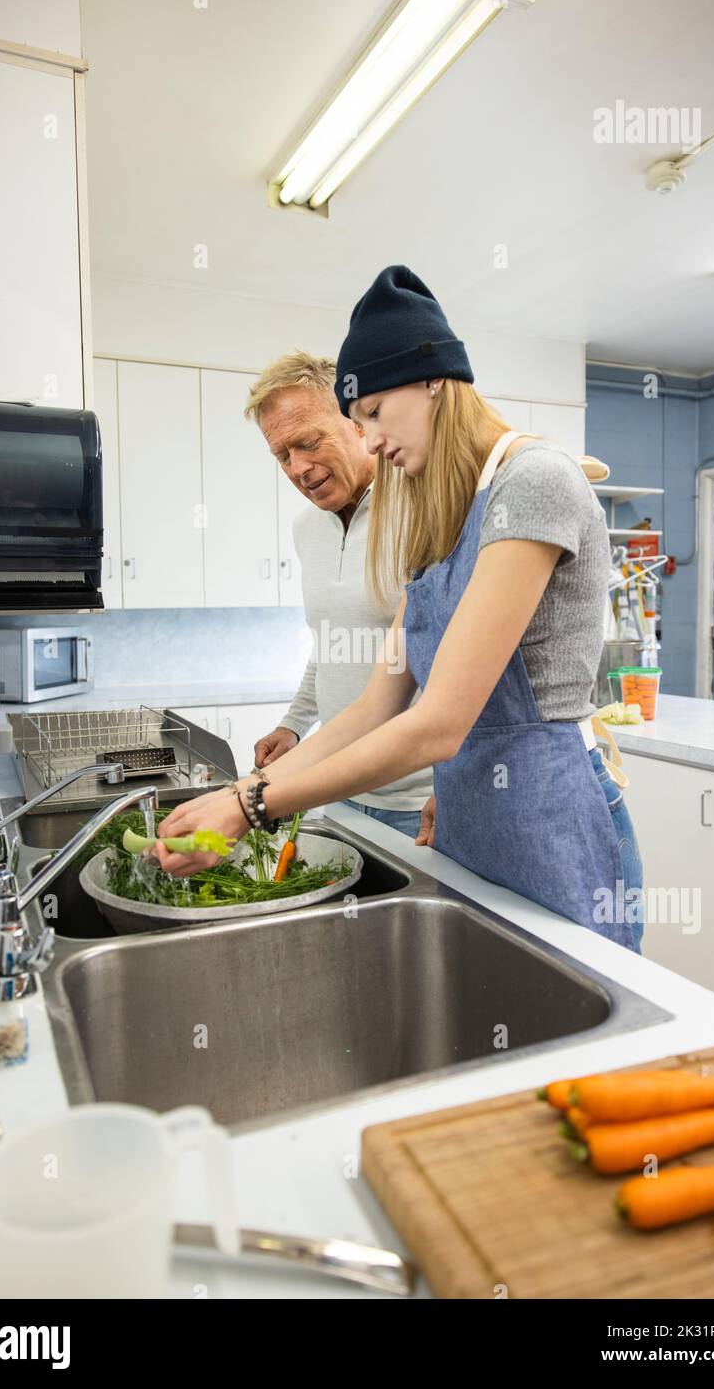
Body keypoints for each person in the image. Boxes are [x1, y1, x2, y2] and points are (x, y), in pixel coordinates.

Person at [156, 265, 644, 952]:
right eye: (359, 422)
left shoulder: (533, 482)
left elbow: (437, 723)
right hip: (468, 808)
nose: (373, 441)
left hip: (551, 809)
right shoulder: (438, 519)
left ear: (433, 380)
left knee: (588, 1035)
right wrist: (250, 786)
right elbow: (372, 707)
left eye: (375, 414)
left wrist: (252, 806)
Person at [244, 352, 433, 841]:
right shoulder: (307, 528)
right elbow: (331, 641)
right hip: (339, 789)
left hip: (420, 800)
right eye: (282, 455)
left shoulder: (425, 508)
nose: (298, 468)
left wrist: (457, 786)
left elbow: (463, 662)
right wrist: (293, 725)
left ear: (357, 422)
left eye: (308, 443)